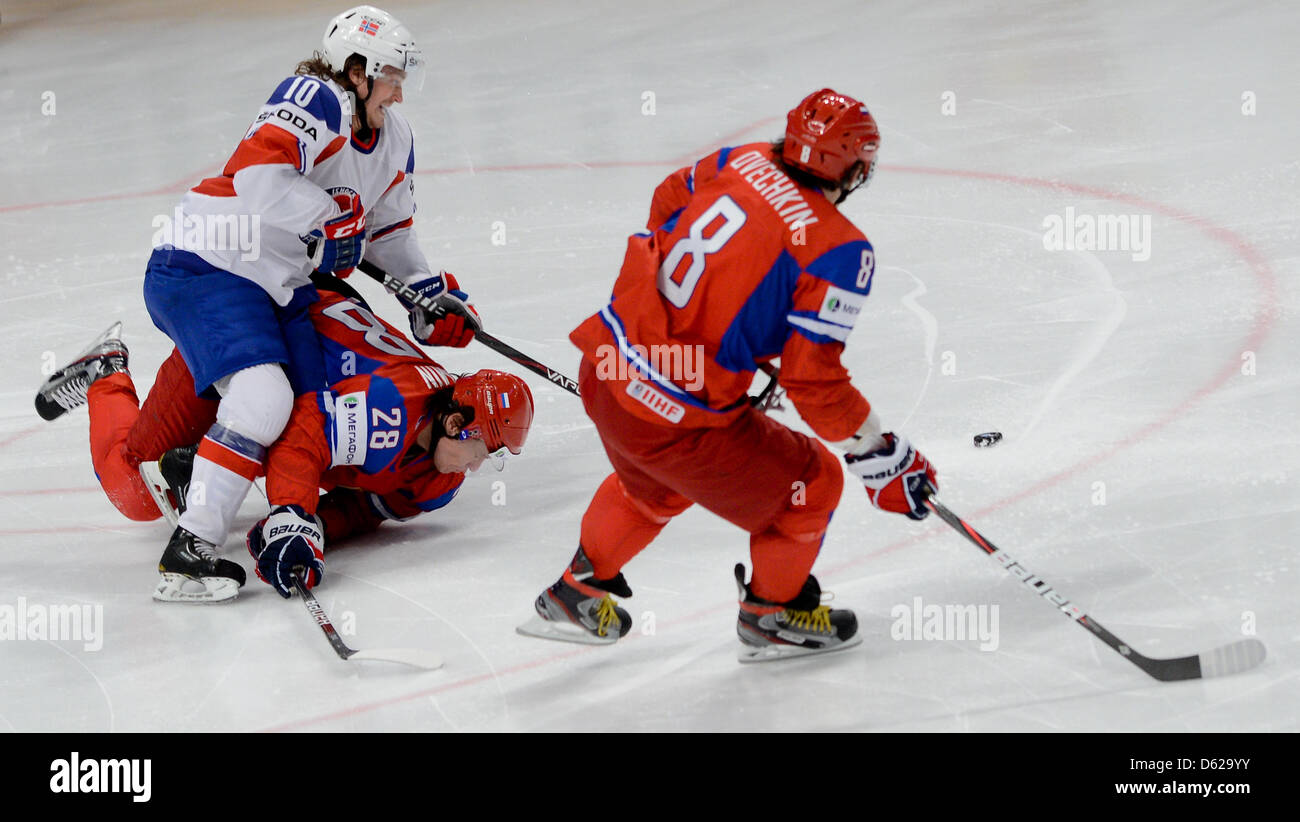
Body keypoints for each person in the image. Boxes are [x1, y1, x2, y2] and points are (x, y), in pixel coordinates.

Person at [518, 89, 940, 661]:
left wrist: (711, 314)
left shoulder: (737, 161)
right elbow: (813, 383)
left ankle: (577, 593)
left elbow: (666, 199)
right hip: (675, 418)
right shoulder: (839, 249)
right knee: (811, 485)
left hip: (607, 369)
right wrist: (878, 453)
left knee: (651, 487)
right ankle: (774, 616)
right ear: (857, 168)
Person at [128, 6, 481, 600]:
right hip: (211, 261)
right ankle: (187, 555)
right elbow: (254, 176)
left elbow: (389, 233)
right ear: (355, 69)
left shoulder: (397, 138)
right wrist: (330, 218)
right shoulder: (316, 95)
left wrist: (423, 288)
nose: (399, 91)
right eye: (392, 75)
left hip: (276, 286)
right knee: (259, 400)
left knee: (309, 406)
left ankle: (229, 483)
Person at [36, 287, 533, 602]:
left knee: (229, 460)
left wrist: (311, 530)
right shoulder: (392, 409)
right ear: (455, 423)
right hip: (245, 340)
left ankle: (203, 460)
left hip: (280, 385)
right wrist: (290, 513)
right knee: (137, 492)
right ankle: (106, 373)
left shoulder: (434, 483)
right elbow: (303, 438)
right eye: (485, 449)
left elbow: (361, 509)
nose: (478, 467)